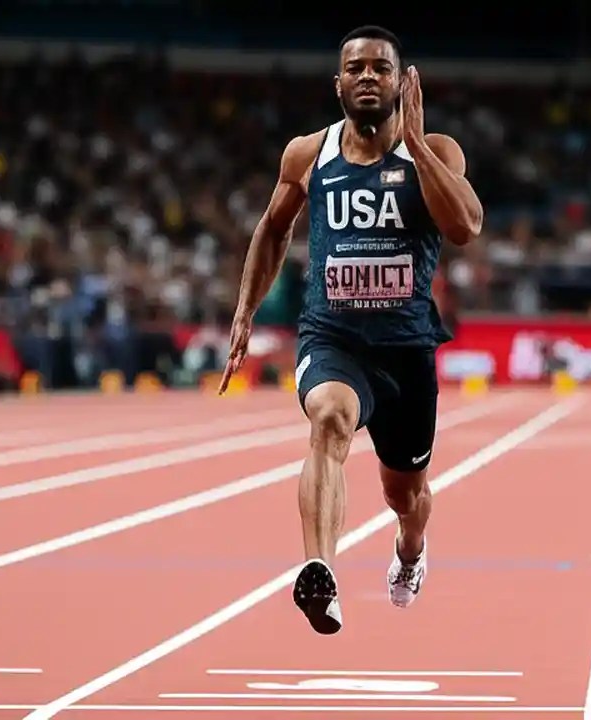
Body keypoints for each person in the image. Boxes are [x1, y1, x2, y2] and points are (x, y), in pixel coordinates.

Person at [217, 25, 483, 635]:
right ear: (337, 83)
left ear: (401, 82)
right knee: (329, 420)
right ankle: (320, 570)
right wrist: (246, 308)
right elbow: (274, 228)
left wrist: (415, 145)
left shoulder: (437, 151)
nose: (367, 76)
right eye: (355, 67)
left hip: (406, 351)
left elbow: (466, 226)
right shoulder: (307, 155)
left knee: (405, 496)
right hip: (333, 338)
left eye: (380, 68)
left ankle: (411, 549)